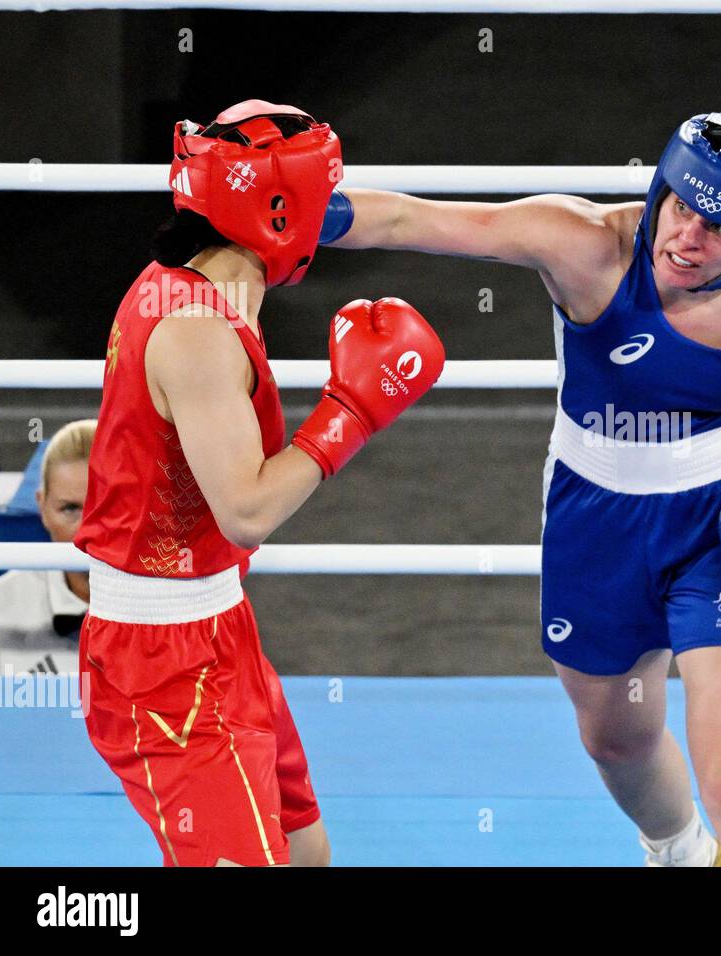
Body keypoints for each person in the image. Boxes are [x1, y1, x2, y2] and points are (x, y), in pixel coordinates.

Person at [323, 110, 721, 865]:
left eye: (718, 229)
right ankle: (680, 855)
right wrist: (288, 213)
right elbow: (419, 219)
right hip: (594, 515)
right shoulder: (584, 246)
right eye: (681, 207)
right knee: (617, 740)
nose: (688, 237)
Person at [73, 100, 445, 867]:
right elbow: (245, 510)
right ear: (279, 213)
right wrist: (351, 413)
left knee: (306, 853)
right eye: (321, 198)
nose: (333, 214)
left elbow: (392, 216)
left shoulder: (199, 278)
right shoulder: (196, 333)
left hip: (220, 631)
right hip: (162, 663)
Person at [0, 419, 95, 674]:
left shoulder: (175, 607)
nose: (87, 529)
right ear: (42, 507)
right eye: (70, 509)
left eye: (103, 507)